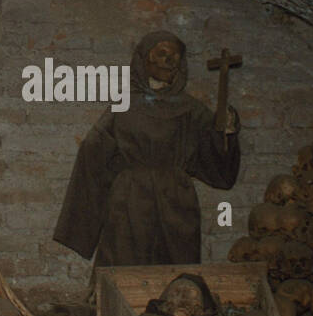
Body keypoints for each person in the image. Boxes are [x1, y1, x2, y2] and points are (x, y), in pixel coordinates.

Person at [53, 30, 241, 273]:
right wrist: (85, 221)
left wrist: (226, 131)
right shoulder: (124, 106)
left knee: (175, 270)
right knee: (123, 267)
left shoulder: (192, 111)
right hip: (130, 199)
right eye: (162, 54)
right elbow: (93, 154)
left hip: (175, 200)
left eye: (175, 56)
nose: (169, 61)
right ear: (145, 60)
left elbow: (217, 159)